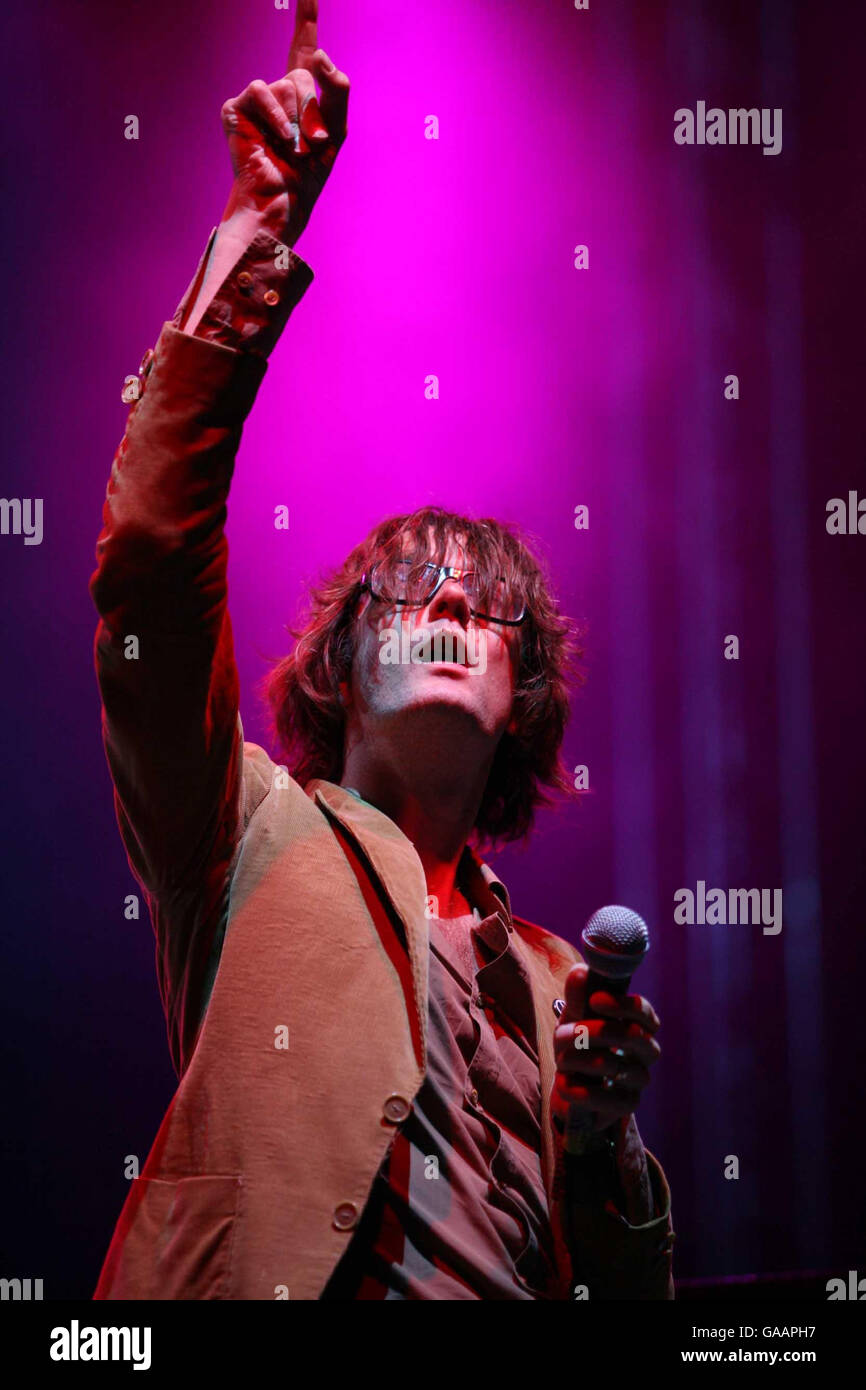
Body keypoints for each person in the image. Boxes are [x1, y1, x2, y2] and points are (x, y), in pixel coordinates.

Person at [89, 0, 675, 1300]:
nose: (452, 609)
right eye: (411, 592)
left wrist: (604, 1154)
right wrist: (255, 227)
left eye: (485, 606)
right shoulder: (235, 827)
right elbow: (148, 562)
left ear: (519, 697)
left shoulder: (560, 979)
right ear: (339, 667)